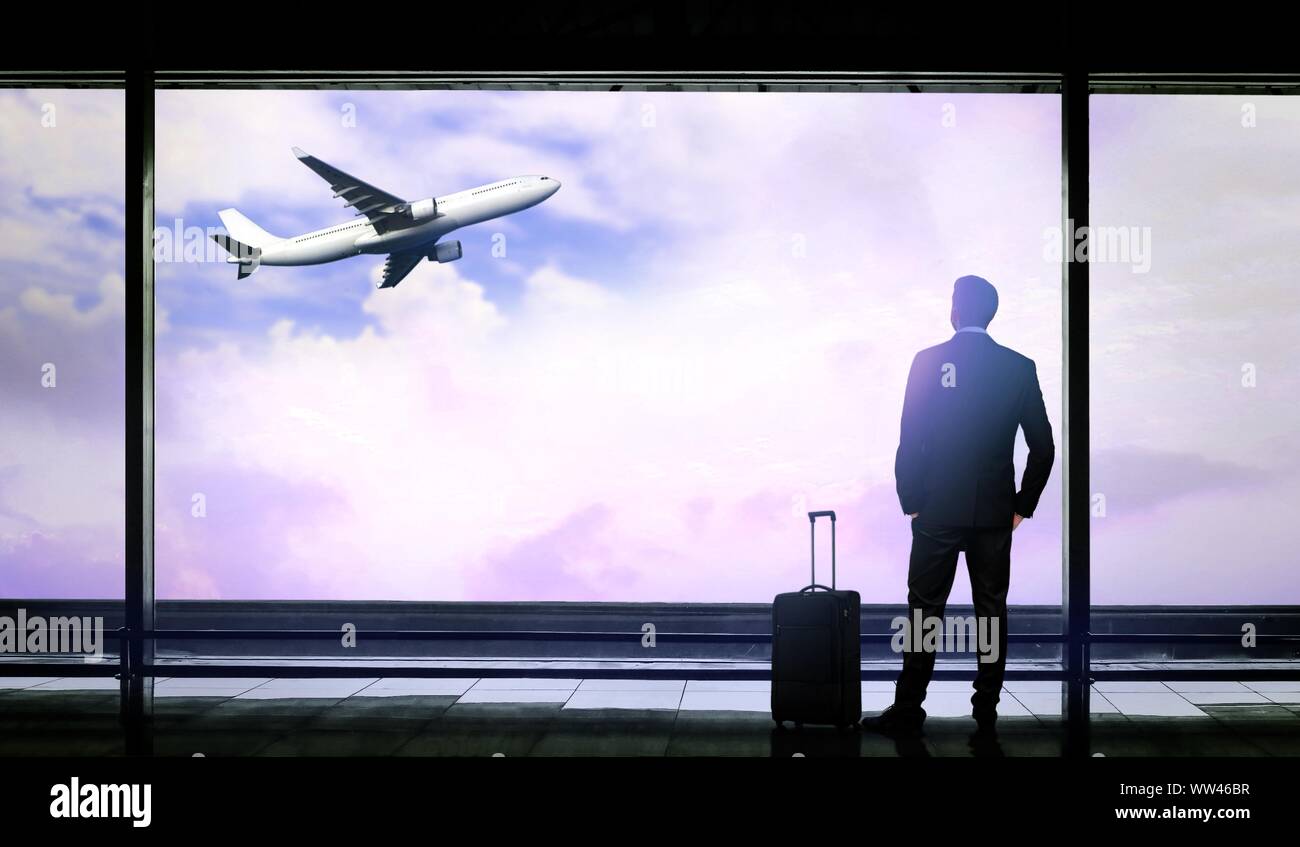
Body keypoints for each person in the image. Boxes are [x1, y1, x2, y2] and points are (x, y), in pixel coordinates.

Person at [864, 275, 1055, 736]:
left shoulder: (929, 362)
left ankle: (909, 707)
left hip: (937, 511)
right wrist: (1021, 507)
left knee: (924, 612)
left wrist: (911, 501)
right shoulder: (1019, 367)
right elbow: (1043, 447)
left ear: (955, 311)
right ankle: (985, 707)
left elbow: (910, 437)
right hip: (993, 514)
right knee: (991, 611)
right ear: (991, 314)